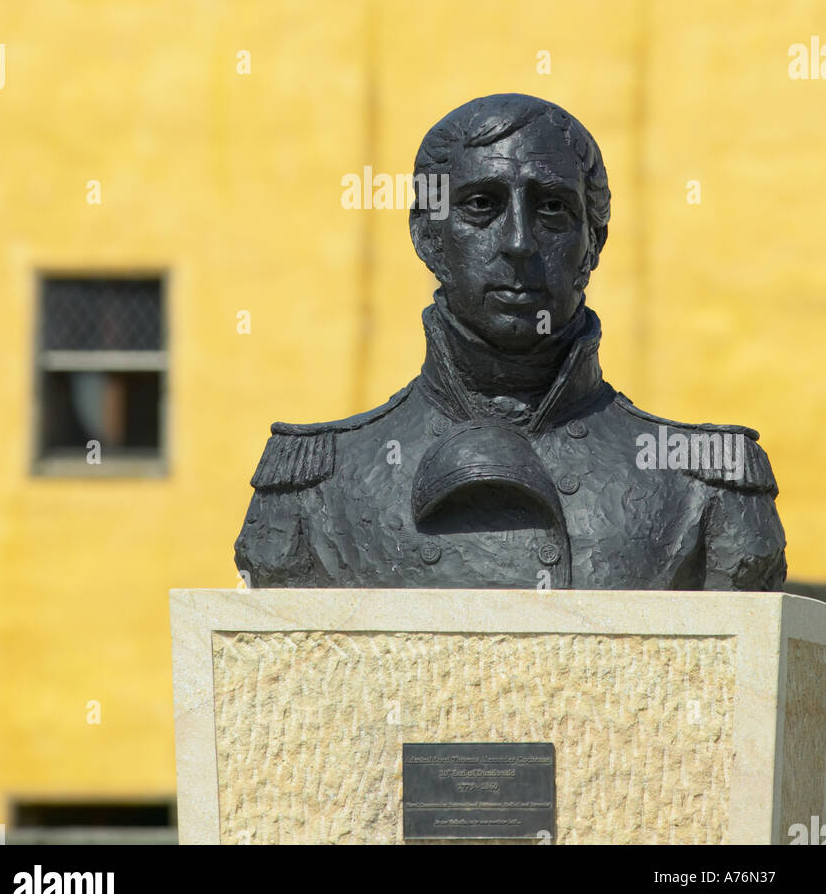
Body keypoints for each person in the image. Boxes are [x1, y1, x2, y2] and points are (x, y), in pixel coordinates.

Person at [235, 94, 786, 590]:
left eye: (552, 208)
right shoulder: (315, 492)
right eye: (482, 205)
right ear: (428, 236)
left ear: (593, 243)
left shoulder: (709, 490)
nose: (520, 242)